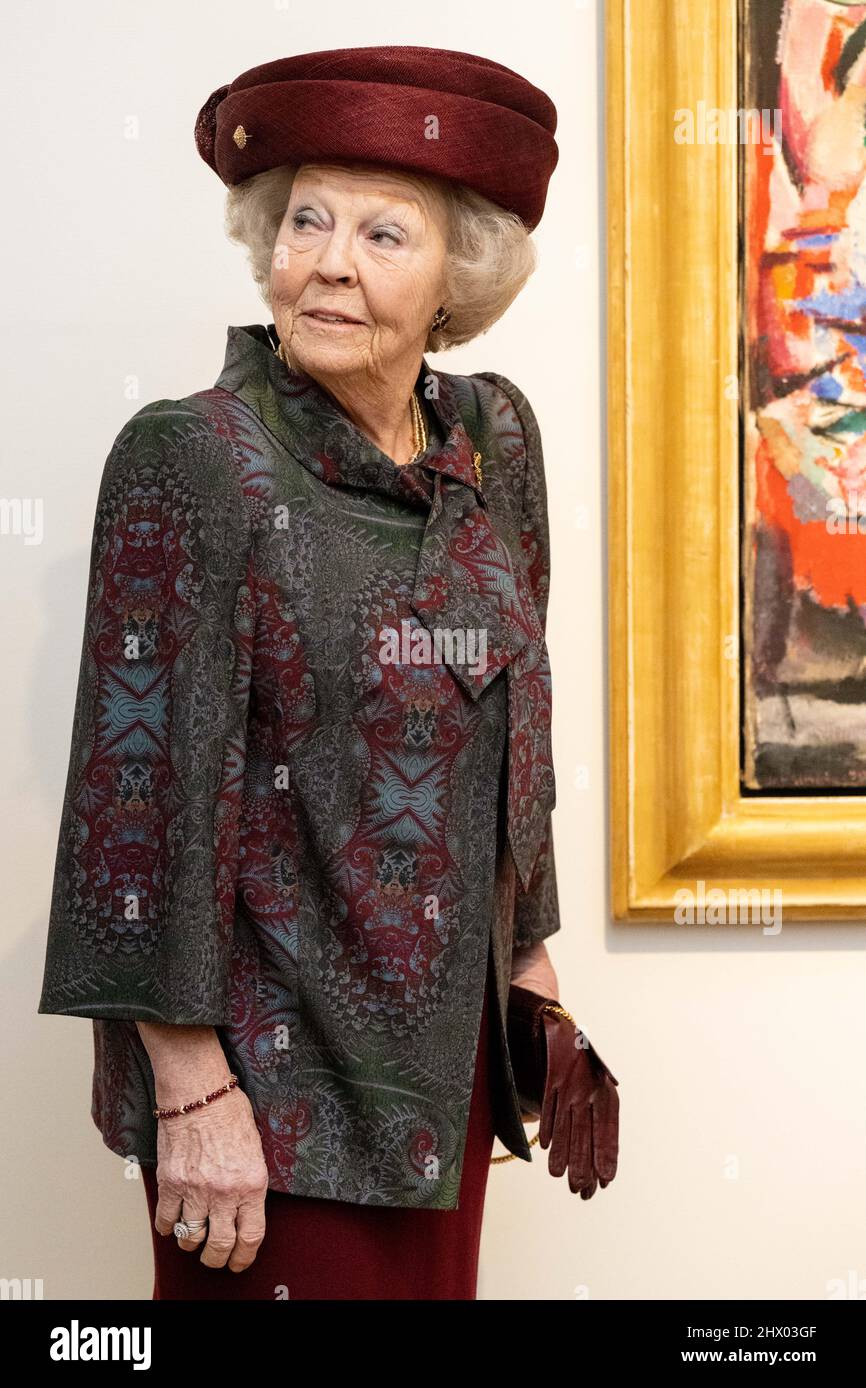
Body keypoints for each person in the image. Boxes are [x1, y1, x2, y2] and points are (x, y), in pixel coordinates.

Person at [38, 45, 568, 1300]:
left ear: (458, 280)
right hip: (265, 1118)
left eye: (384, 234)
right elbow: (132, 803)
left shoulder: (496, 442)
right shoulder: (194, 457)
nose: (327, 259)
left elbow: (515, 712)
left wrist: (528, 949)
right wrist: (191, 1088)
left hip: (443, 1085)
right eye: (305, 218)